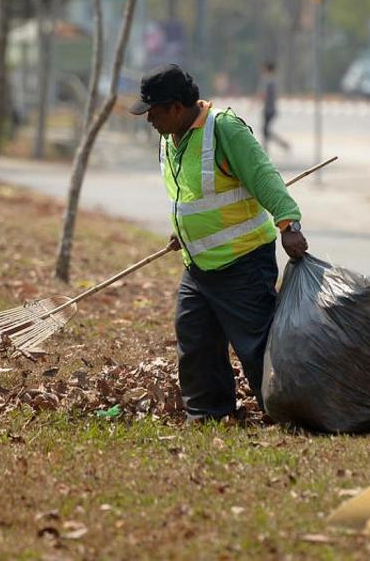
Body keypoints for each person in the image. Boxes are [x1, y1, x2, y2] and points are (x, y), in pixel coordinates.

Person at [128, 64, 308, 423]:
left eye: (153, 112)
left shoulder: (223, 129)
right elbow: (191, 194)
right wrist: (184, 229)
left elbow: (263, 177)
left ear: (176, 107)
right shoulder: (169, 138)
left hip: (242, 263)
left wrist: (289, 224)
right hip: (198, 265)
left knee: (256, 347)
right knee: (195, 340)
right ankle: (208, 413)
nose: (149, 120)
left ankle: (288, 411)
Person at [259, 61, 291, 153]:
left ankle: (279, 145)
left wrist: (254, 103)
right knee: (265, 130)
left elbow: (263, 94)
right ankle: (270, 147)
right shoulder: (274, 80)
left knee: (265, 130)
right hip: (272, 108)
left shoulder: (267, 80)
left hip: (268, 109)